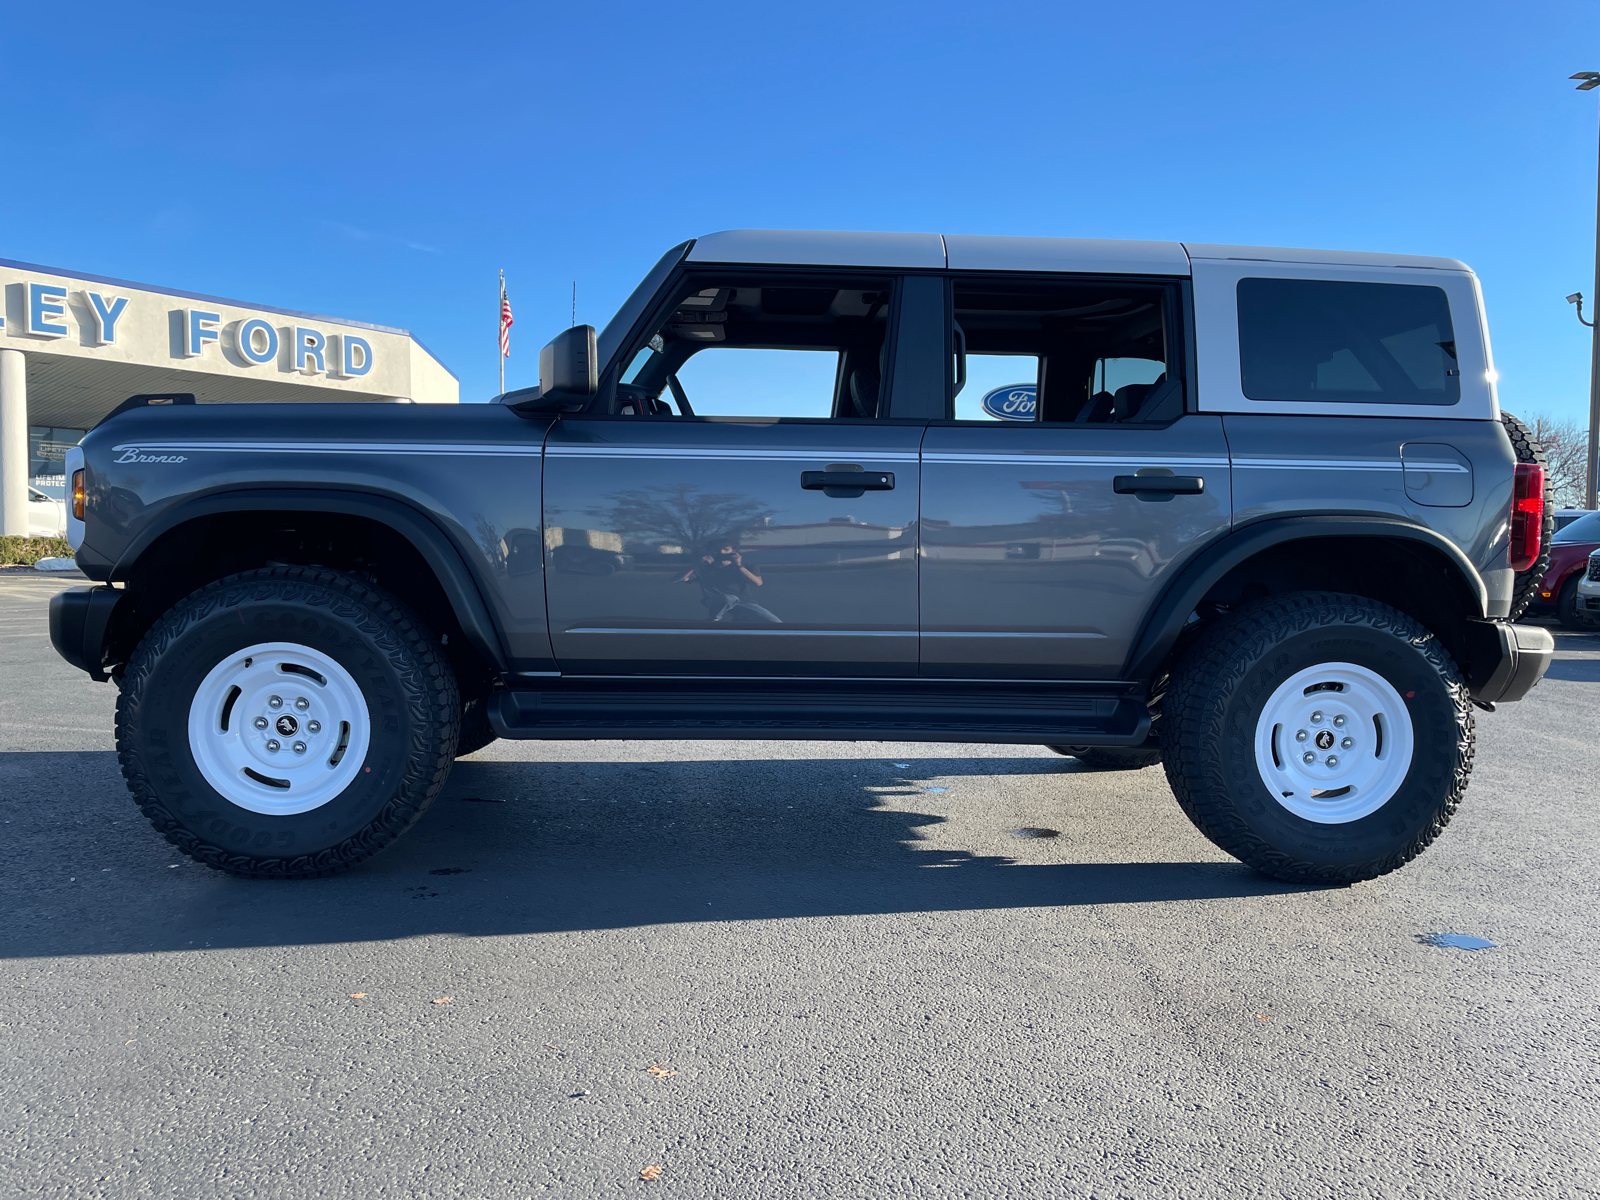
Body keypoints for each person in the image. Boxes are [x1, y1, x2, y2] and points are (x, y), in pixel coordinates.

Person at [677, 541, 781, 623]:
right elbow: (680, 579)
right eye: (717, 550)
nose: (722, 552)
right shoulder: (704, 569)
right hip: (716, 601)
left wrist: (739, 565)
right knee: (729, 598)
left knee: (776, 624)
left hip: (745, 603)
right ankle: (715, 619)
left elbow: (757, 583)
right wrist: (696, 564)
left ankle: (739, 620)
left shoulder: (748, 566)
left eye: (726, 549)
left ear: (734, 552)